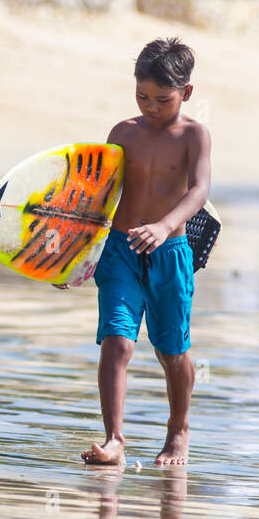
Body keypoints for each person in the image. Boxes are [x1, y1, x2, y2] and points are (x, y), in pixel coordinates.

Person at [81, 36, 211, 468]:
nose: (150, 107)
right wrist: (74, 252)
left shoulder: (194, 135)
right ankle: (114, 438)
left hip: (170, 253)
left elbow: (199, 190)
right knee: (117, 342)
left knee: (172, 350)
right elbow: (98, 195)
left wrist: (165, 225)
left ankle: (179, 431)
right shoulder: (123, 132)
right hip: (120, 250)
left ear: (186, 93)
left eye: (162, 99)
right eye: (142, 97)